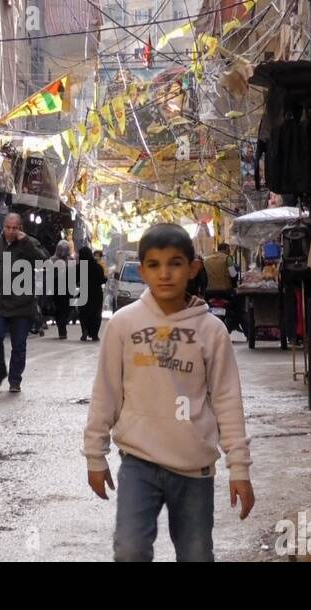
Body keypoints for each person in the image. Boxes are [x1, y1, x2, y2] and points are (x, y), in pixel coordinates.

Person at [82, 223, 255, 562]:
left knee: (196, 555)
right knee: (130, 551)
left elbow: (227, 401)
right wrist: (95, 454)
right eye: (154, 264)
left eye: (175, 263)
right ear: (142, 270)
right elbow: (106, 392)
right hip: (138, 463)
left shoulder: (211, 330)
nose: (165, 274)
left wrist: (240, 468)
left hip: (194, 467)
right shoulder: (123, 324)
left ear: (193, 268)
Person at [0, 212, 48, 392]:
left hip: (22, 305)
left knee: (19, 345)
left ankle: (15, 380)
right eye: (7, 227)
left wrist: (25, 242)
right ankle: (0, 370)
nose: (10, 231)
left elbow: (42, 262)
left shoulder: (30, 243)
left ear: (20, 228)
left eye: (14, 228)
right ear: (3, 227)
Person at [76, 246, 105, 341]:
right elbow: (102, 280)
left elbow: (75, 279)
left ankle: (84, 330)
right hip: (96, 294)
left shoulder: (79, 267)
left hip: (84, 292)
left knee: (83, 313)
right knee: (96, 314)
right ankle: (94, 334)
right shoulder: (98, 267)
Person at [50, 241, 74, 339]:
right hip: (57, 289)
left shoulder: (70, 260)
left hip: (66, 290)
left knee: (64, 310)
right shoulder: (52, 260)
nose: (63, 251)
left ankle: (62, 327)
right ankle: (62, 329)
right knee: (61, 310)